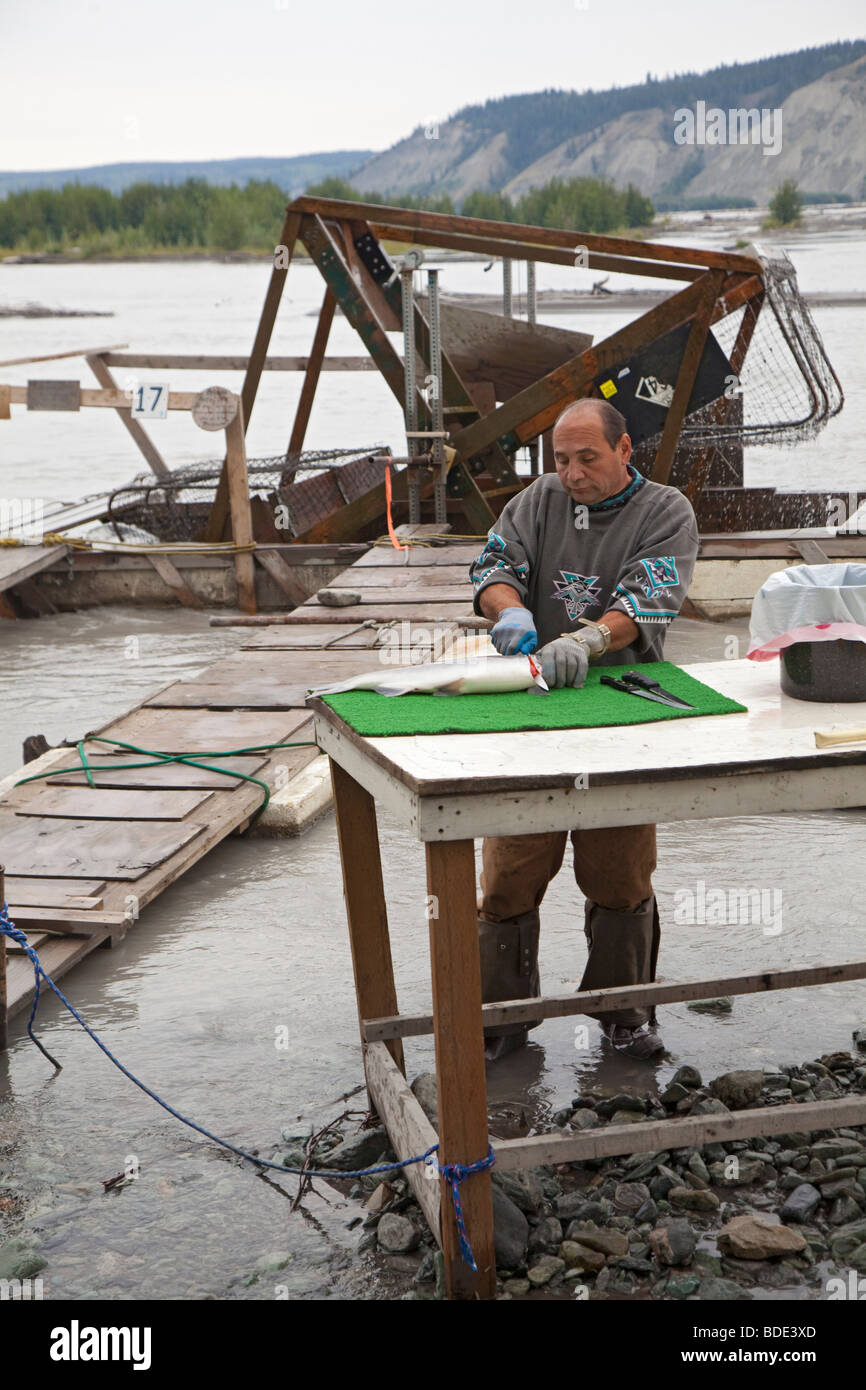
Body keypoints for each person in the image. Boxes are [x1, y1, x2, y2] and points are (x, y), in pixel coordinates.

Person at [469, 396, 700, 1060]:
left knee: (619, 871)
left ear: (626, 452)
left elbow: (649, 596)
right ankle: (500, 1021)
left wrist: (589, 640)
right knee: (510, 870)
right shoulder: (538, 502)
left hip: (622, 708)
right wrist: (509, 611)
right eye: (561, 460)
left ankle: (623, 1014)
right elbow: (492, 567)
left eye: (587, 458)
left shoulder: (664, 511)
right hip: (532, 708)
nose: (571, 473)